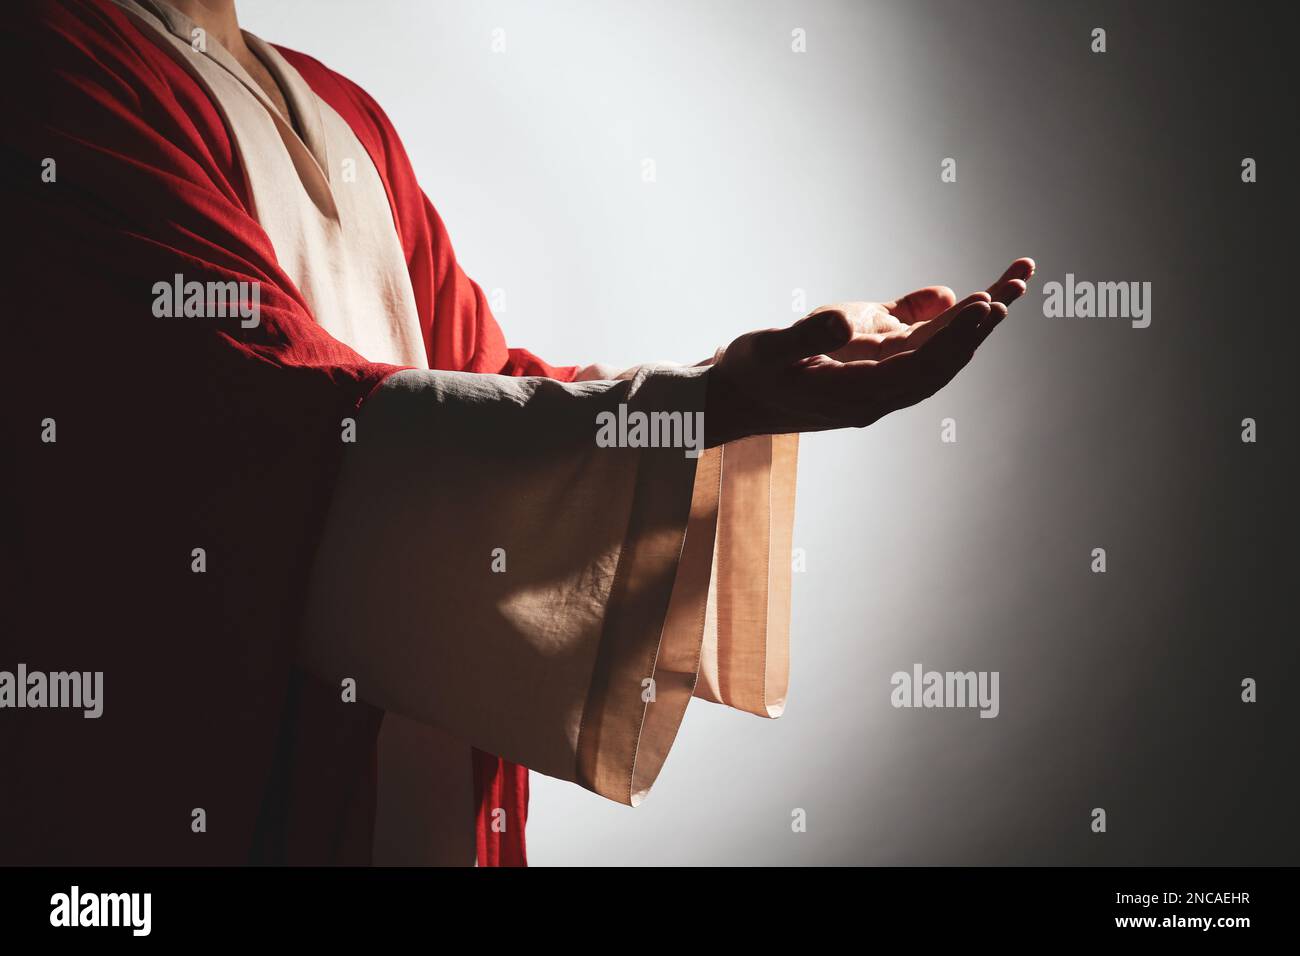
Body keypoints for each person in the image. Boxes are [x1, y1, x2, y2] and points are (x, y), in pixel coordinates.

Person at [0, 0, 1033, 866]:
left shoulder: (338, 107)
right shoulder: (49, 49)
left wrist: (720, 389)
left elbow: (481, 385)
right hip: (201, 765)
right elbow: (263, 403)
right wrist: (723, 402)